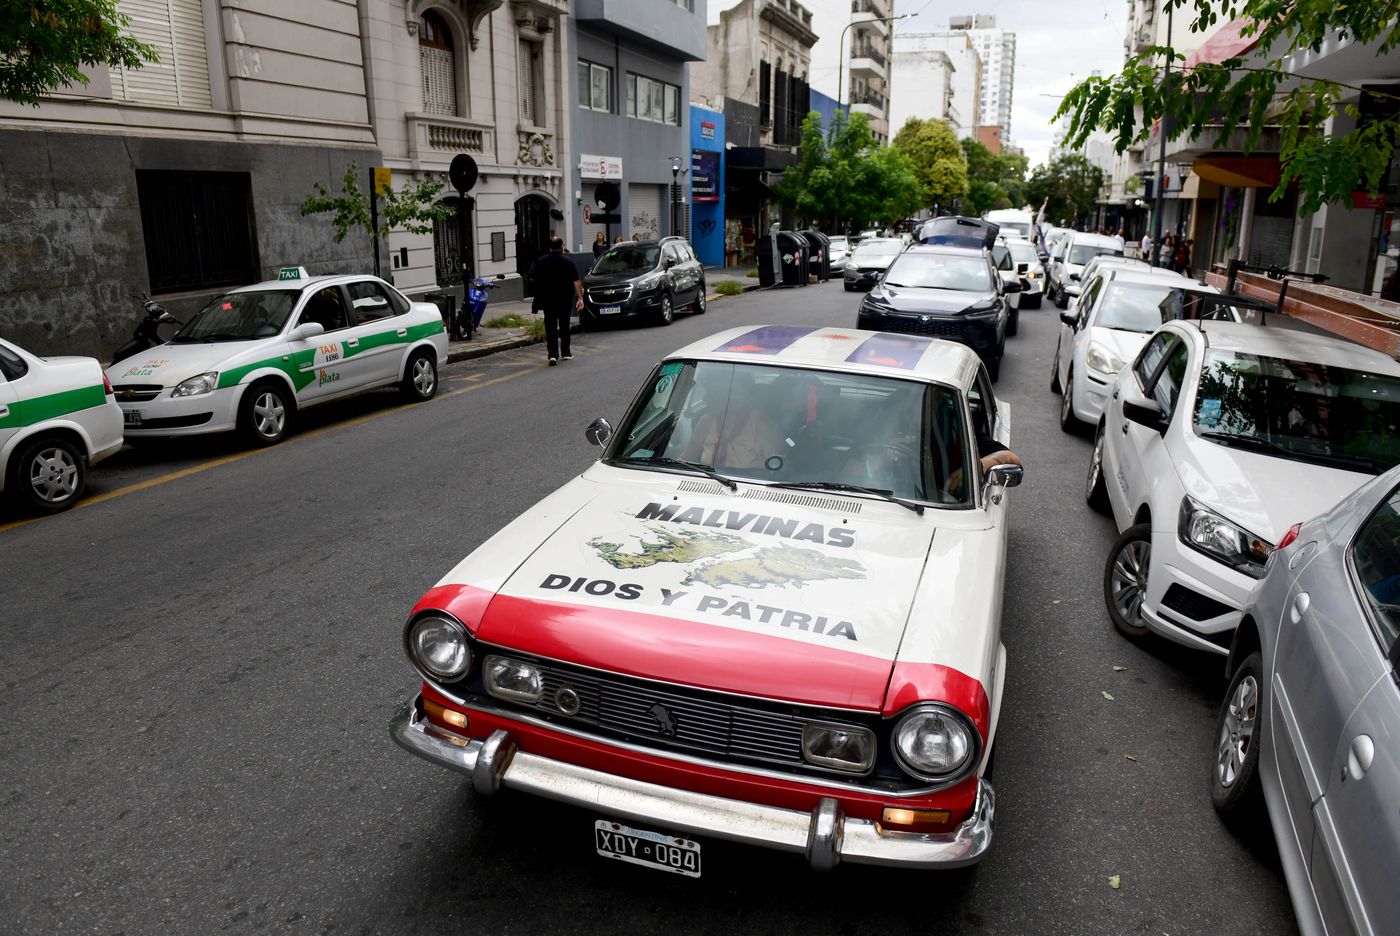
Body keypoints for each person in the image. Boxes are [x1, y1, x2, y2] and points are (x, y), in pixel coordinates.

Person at [526, 236, 583, 366]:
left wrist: (541, 285)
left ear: (550, 247)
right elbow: (576, 281)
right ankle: (566, 352)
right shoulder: (568, 262)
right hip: (565, 298)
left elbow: (532, 278)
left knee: (550, 326)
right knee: (564, 325)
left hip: (548, 298)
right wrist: (580, 298)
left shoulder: (541, 261)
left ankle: (552, 355)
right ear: (561, 246)